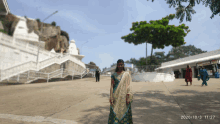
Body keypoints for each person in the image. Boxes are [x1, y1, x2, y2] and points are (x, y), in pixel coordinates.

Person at [108, 59, 133, 124]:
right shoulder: (114, 75)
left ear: (123, 65)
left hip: (123, 97)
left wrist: (128, 96)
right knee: (115, 113)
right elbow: (111, 86)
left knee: (124, 113)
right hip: (115, 97)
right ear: (117, 65)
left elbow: (128, 86)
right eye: (119, 65)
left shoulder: (126, 74)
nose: (120, 66)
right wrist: (111, 97)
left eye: (121, 64)